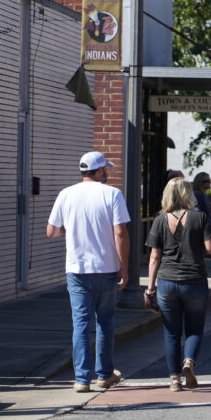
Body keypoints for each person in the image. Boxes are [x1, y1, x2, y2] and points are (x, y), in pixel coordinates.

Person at [46, 151, 130, 393]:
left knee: (80, 324)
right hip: (106, 268)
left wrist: (71, 230)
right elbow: (120, 233)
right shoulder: (112, 194)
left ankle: (82, 379)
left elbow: (51, 231)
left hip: (76, 269)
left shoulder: (66, 194)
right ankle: (104, 374)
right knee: (105, 322)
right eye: (107, 169)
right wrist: (124, 266)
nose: (108, 173)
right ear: (100, 170)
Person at [145, 178, 211, 392]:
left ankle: (174, 379)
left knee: (171, 333)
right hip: (194, 280)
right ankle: (189, 362)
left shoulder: (159, 220)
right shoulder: (200, 217)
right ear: (188, 194)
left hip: (166, 282)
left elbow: (154, 256)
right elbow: (210, 248)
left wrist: (150, 288)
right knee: (194, 328)